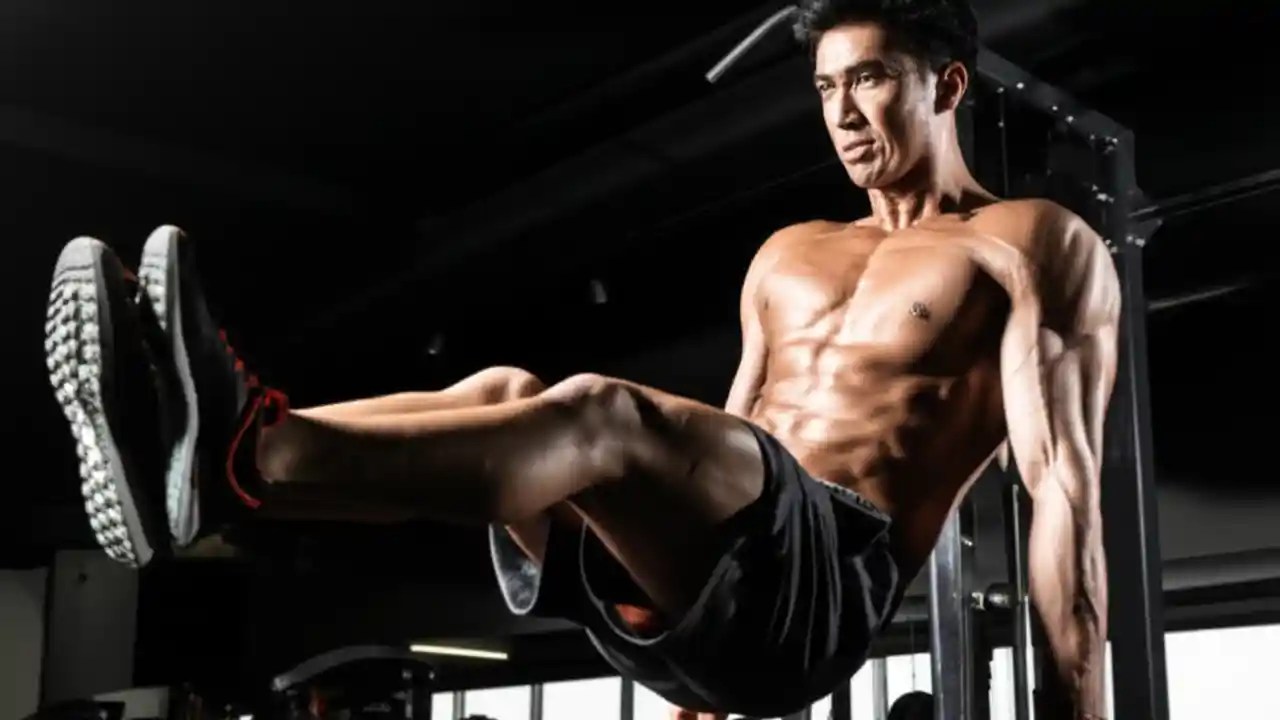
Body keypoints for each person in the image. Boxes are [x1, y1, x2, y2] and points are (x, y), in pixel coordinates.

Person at [43, 0, 1118, 718]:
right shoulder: (790, 253)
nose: (840, 114)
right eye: (824, 88)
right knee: (508, 393)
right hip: (706, 596)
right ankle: (225, 470)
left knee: (599, 413)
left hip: (824, 588)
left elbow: (1062, 493)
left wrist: (1077, 704)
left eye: (870, 79)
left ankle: (241, 448)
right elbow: (736, 441)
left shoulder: (1028, 242)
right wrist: (699, 694)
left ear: (947, 86)